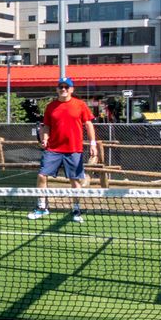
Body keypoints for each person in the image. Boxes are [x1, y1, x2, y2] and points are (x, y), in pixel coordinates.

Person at [30, 76, 100, 223]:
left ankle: (76, 209)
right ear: (57, 89)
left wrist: (93, 143)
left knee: (74, 180)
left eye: (66, 87)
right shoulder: (50, 106)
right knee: (42, 176)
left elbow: (88, 125)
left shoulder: (80, 105)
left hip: (74, 149)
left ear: (71, 89)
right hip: (53, 149)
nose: (63, 89)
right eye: (60, 87)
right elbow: (46, 126)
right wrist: (45, 138)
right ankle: (42, 207)